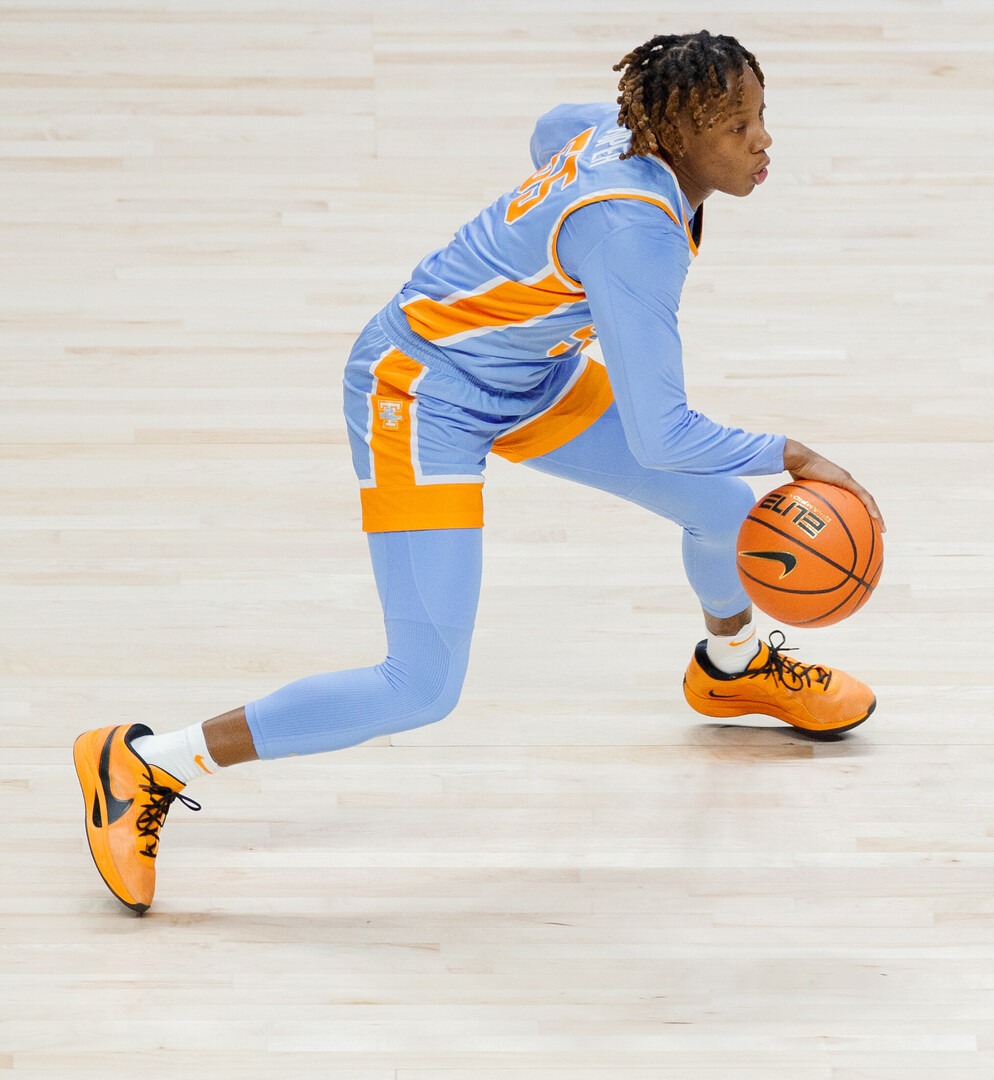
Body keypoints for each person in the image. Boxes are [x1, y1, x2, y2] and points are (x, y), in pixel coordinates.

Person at [73, 31, 884, 915]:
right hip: (421, 393)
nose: (762, 141)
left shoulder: (620, 134)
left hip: (528, 374)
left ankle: (728, 670)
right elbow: (663, 433)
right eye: (735, 127)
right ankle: (144, 760)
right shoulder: (631, 234)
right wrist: (798, 455)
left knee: (729, 515)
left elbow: (551, 128)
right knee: (420, 684)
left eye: (761, 116)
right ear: (676, 135)